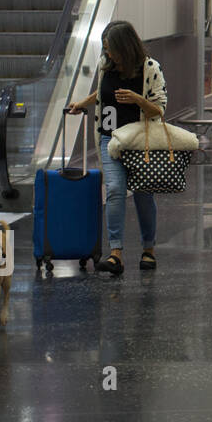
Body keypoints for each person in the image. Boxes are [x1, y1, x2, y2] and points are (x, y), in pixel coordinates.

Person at [66, 20, 168, 275]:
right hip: (109, 139)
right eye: (105, 48)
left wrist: (137, 99)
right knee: (113, 189)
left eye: (111, 48)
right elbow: (102, 95)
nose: (108, 53)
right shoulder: (105, 66)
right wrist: (82, 103)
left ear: (126, 47)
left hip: (140, 141)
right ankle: (116, 253)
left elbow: (160, 110)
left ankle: (148, 249)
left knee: (144, 194)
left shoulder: (150, 69)